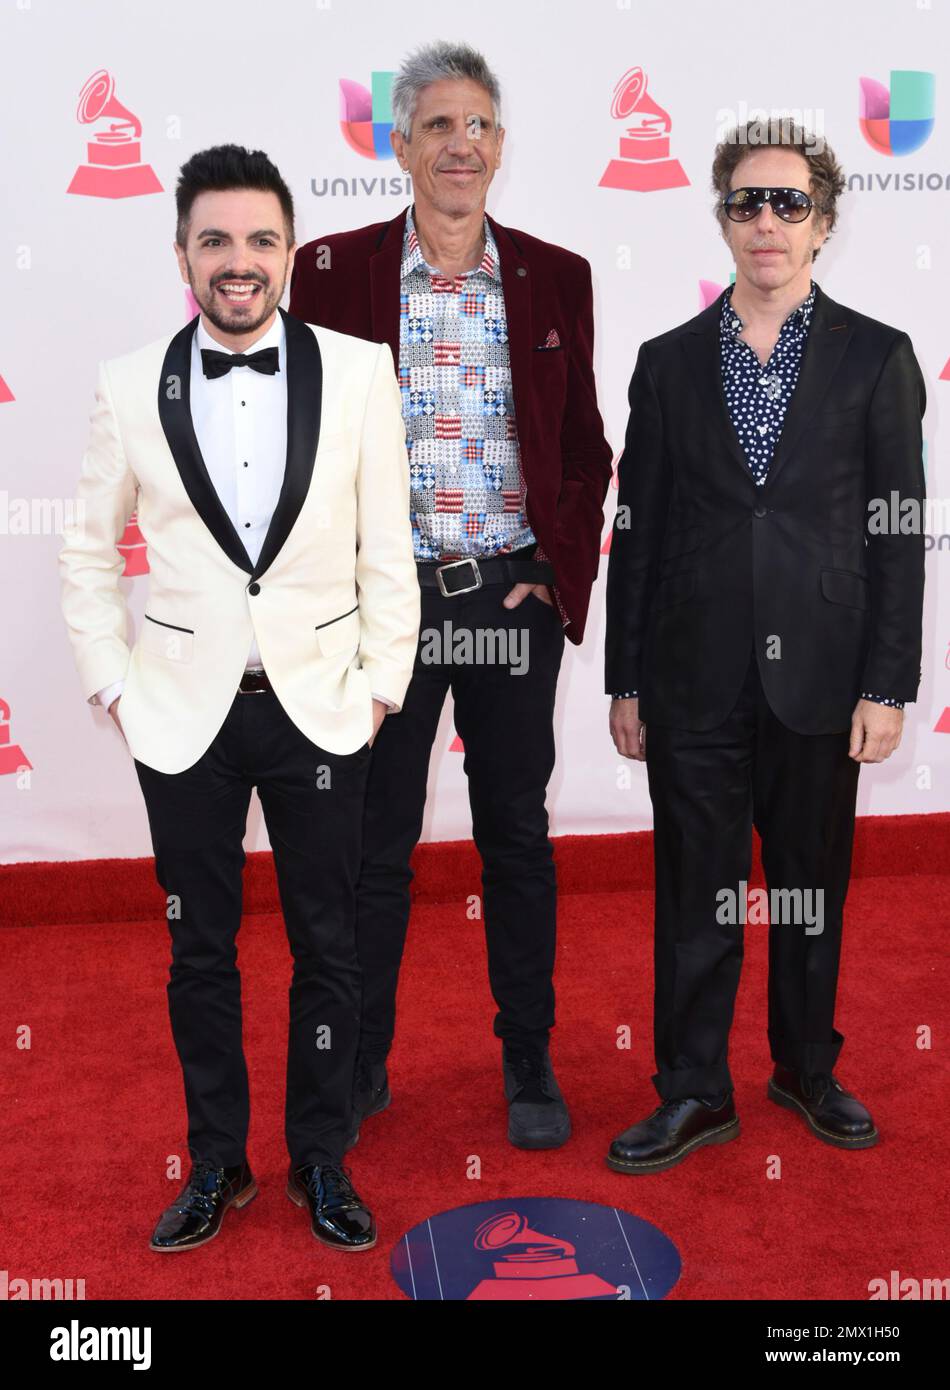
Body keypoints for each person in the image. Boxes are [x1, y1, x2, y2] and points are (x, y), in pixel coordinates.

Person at [58, 144, 420, 1247]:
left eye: (260, 239)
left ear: (290, 252)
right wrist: (114, 685)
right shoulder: (130, 384)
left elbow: (385, 551)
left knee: (329, 945)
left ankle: (319, 1157)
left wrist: (378, 694)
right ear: (181, 252)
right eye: (214, 239)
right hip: (181, 716)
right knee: (198, 949)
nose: (238, 261)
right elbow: (83, 550)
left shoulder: (360, 372)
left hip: (321, 706)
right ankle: (218, 1161)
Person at [290, 42, 612, 1150]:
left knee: (513, 837)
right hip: (387, 610)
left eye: (477, 126)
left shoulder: (554, 275)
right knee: (373, 845)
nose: (459, 146)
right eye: (437, 125)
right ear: (398, 143)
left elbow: (583, 448)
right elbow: (299, 445)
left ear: (500, 147)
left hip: (505, 606)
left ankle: (526, 1055)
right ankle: (364, 1056)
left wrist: (551, 570)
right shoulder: (329, 273)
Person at [604, 120, 925, 1173]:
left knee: (806, 885)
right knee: (692, 891)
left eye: (788, 202)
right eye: (746, 201)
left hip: (823, 680)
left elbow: (894, 528)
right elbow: (635, 530)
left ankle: (803, 1066)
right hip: (691, 676)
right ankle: (695, 1089)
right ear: (721, 219)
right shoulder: (665, 364)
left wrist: (885, 681)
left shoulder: (875, 358)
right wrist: (624, 678)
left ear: (822, 223)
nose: (766, 221)